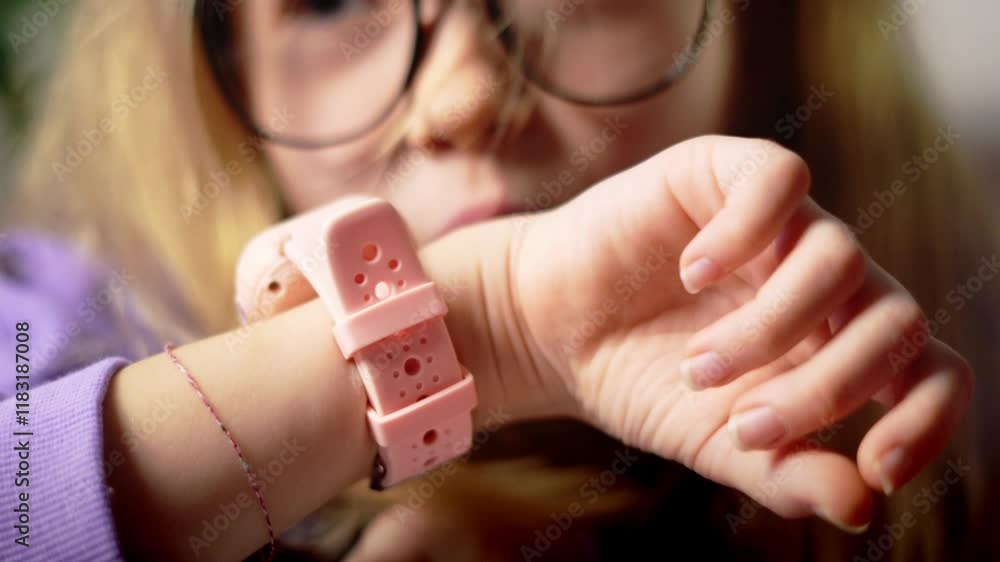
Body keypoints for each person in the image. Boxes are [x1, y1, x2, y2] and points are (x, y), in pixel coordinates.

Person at [0, 1, 995, 560]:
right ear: (221, 76)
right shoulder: (52, 329)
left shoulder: (962, 335)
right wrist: (481, 327)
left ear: (766, 31)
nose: (466, 94)